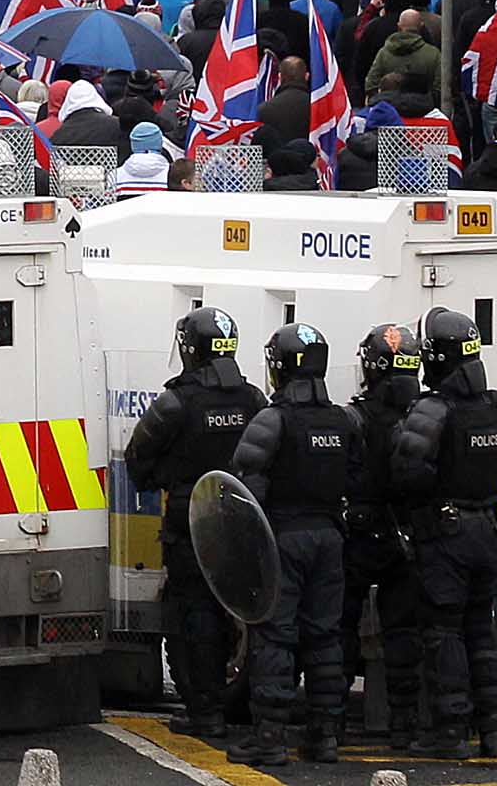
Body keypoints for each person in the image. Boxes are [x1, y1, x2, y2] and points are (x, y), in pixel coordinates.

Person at [389, 307, 497, 759]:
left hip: (447, 536)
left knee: (443, 632)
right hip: (489, 532)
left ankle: (450, 732)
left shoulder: (432, 410)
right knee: (483, 632)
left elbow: (407, 474)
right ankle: (494, 730)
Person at [122, 307, 264, 740]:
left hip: (191, 521)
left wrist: (165, 479)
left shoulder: (177, 401)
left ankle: (205, 712)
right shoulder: (253, 398)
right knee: (242, 611)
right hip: (244, 519)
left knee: (192, 613)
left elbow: (137, 458)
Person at [228, 323, 358, 765]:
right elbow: (357, 478)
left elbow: (245, 493)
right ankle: (324, 737)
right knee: (325, 638)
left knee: (275, 637)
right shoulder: (343, 420)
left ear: (279, 368)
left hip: (284, 539)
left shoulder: (272, 420)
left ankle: (269, 738)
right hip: (329, 540)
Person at [341, 324, 426, 749]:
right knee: (404, 633)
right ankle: (405, 726)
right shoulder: (427, 416)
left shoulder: (354, 417)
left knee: (337, 631)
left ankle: (329, 726)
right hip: (408, 537)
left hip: (358, 533)